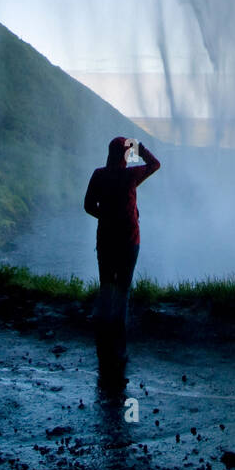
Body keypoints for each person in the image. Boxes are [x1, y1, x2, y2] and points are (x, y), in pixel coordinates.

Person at [84, 135, 160, 370]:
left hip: (106, 240)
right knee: (123, 292)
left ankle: (102, 344)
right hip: (129, 241)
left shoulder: (99, 174)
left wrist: (107, 218)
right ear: (126, 155)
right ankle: (118, 350)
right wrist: (140, 147)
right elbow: (155, 164)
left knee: (106, 288)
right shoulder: (130, 176)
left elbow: (88, 206)